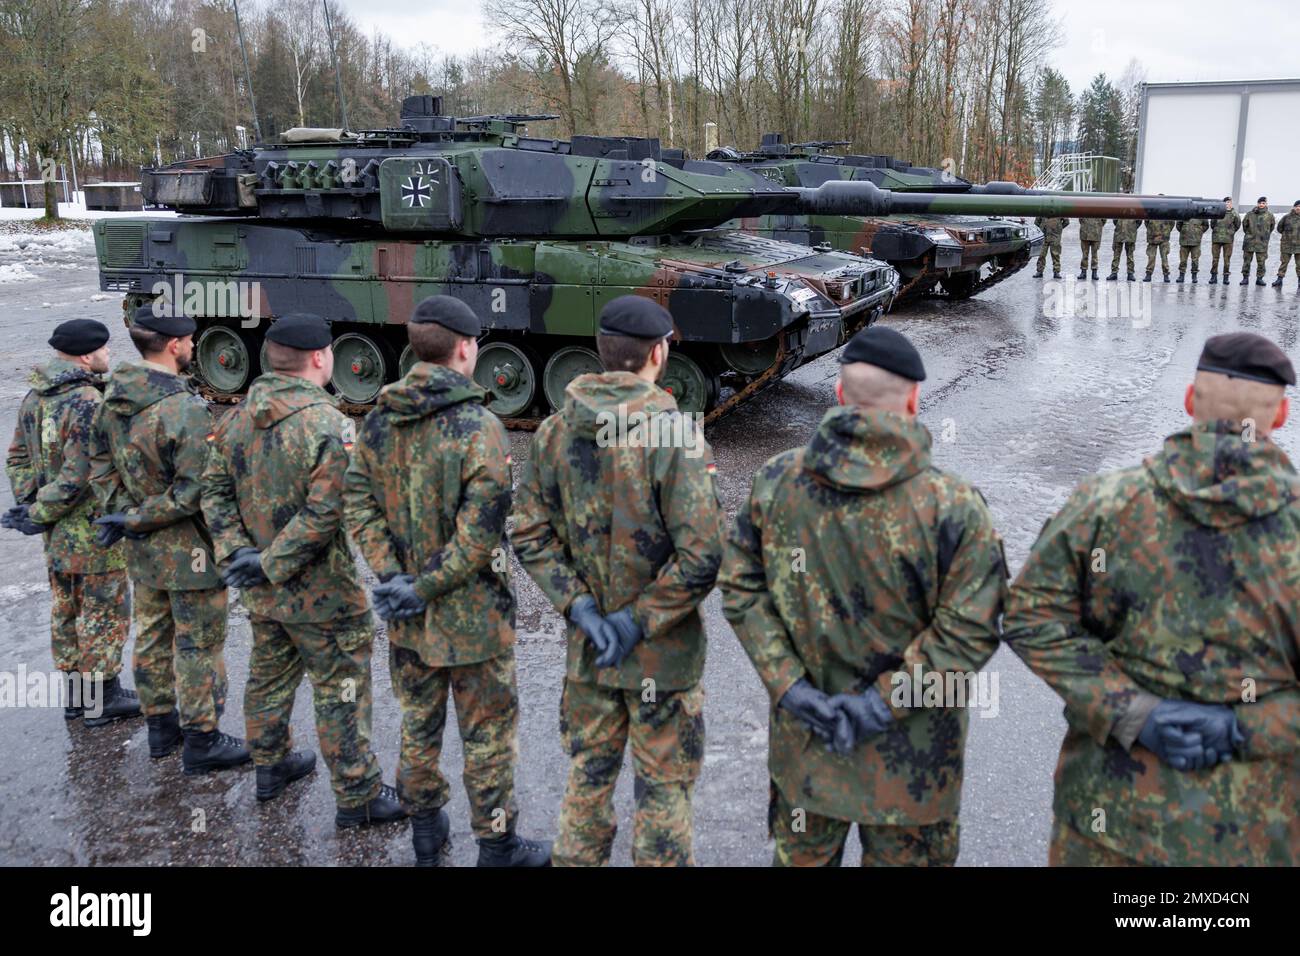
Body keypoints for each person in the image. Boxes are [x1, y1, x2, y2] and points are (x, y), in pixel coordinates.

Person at [1003, 332, 1300, 865]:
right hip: (1261, 831)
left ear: (1190, 402)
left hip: (1110, 825)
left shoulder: (1106, 503)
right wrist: (1244, 726)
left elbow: (1030, 617)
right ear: (1278, 417)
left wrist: (1136, 712)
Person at [718, 324, 1006, 867]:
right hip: (914, 769)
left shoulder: (777, 482)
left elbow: (740, 587)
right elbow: (969, 630)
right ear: (915, 400)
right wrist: (883, 703)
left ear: (840, 394)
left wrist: (791, 686)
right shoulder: (954, 505)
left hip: (808, 747)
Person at [511, 295, 724, 867]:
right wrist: (639, 619)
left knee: (588, 780)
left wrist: (580, 608)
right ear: (658, 354)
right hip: (664, 657)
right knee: (663, 791)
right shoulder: (676, 437)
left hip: (590, 654)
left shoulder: (554, 432)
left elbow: (528, 534)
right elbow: (702, 555)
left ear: (602, 354)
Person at [344, 296, 549, 868]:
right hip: (473, 617)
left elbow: (357, 500)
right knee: (487, 737)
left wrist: (393, 574)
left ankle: (427, 839)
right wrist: (423, 585)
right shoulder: (479, 426)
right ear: (464, 347)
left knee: (418, 724)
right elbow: (480, 535)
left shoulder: (378, 418)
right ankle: (497, 846)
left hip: (408, 616)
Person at [201, 313, 404, 825]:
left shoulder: (236, 417)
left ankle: (270, 767)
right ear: (320, 358)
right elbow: (327, 511)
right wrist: (270, 564)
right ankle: (358, 797)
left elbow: (214, 493)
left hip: (261, 589)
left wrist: (236, 555)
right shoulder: (330, 424)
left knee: (269, 676)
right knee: (341, 689)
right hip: (323, 594)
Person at [90, 306, 247, 773]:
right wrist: (143, 515)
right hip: (189, 548)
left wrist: (125, 512)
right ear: (176, 345)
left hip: (140, 549)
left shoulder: (113, 399)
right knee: (198, 643)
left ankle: (161, 728)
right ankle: (203, 739)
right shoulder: (183, 408)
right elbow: (197, 489)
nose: (195, 347)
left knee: (154, 635)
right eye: (191, 341)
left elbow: (99, 464)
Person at [4, 319, 138, 725]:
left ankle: (78, 698)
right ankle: (103, 700)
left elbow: (17, 457)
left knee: (66, 609)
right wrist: (40, 510)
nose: (108, 354)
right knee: (103, 611)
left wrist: (30, 505)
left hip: (56, 534)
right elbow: (81, 475)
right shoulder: (87, 402)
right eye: (104, 349)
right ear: (85, 355)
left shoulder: (35, 396)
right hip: (93, 529)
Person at [1241, 196, 1275, 286]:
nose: (1261, 205)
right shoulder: (1250, 214)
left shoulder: (1269, 215)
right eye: (1260, 203)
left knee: (1261, 262)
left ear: (1266, 204)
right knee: (1246, 261)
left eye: (1263, 203)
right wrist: (1249, 234)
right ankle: (1245, 278)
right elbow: (1244, 225)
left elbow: (1271, 227)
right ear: (1257, 204)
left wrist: (1264, 235)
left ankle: (1259, 279)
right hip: (1249, 242)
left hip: (1262, 243)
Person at [1208, 197, 1240, 284]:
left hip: (1228, 240)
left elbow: (1237, 225)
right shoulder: (1217, 212)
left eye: (1229, 202)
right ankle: (1213, 276)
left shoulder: (1234, 214)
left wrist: (1231, 232)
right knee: (1215, 259)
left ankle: (1226, 277)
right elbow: (1212, 224)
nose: (1227, 204)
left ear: (1231, 204)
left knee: (1227, 259)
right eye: (1226, 202)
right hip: (1216, 239)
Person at [1273, 199, 1300, 289]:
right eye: (1297, 206)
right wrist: (1287, 236)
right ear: (1294, 207)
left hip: (1299, 246)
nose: (1298, 208)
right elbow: (1279, 228)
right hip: (1286, 244)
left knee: (1299, 264)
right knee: (1284, 263)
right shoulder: (1286, 217)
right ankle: (1279, 279)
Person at [1175, 216, 1210, 283]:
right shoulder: (1184, 213)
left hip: (1196, 241)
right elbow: (1178, 225)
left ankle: (1194, 276)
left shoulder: (1200, 214)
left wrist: (1199, 232)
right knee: (1183, 260)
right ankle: (1181, 276)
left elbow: (1206, 225)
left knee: (1195, 260)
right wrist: (1184, 232)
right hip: (1184, 241)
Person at [1106, 217, 1138, 282]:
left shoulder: (1134, 207)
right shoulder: (1119, 207)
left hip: (1130, 233)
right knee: (1116, 254)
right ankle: (1114, 273)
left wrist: (1133, 227)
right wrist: (1119, 224)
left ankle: (1130, 273)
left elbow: (1139, 221)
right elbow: (1115, 220)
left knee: (1130, 255)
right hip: (1119, 232)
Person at [1142, 216, 1173, 282]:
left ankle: (1166, 275)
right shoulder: (1151, 209)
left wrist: (1167, 231)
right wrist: (1151, 230)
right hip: (1152, 237)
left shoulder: (1167, 210)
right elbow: (1146, 221)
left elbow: (1172, 222)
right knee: (1151, 257)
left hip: (1164, 237)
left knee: (1164, 257)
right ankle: (1148, 274)